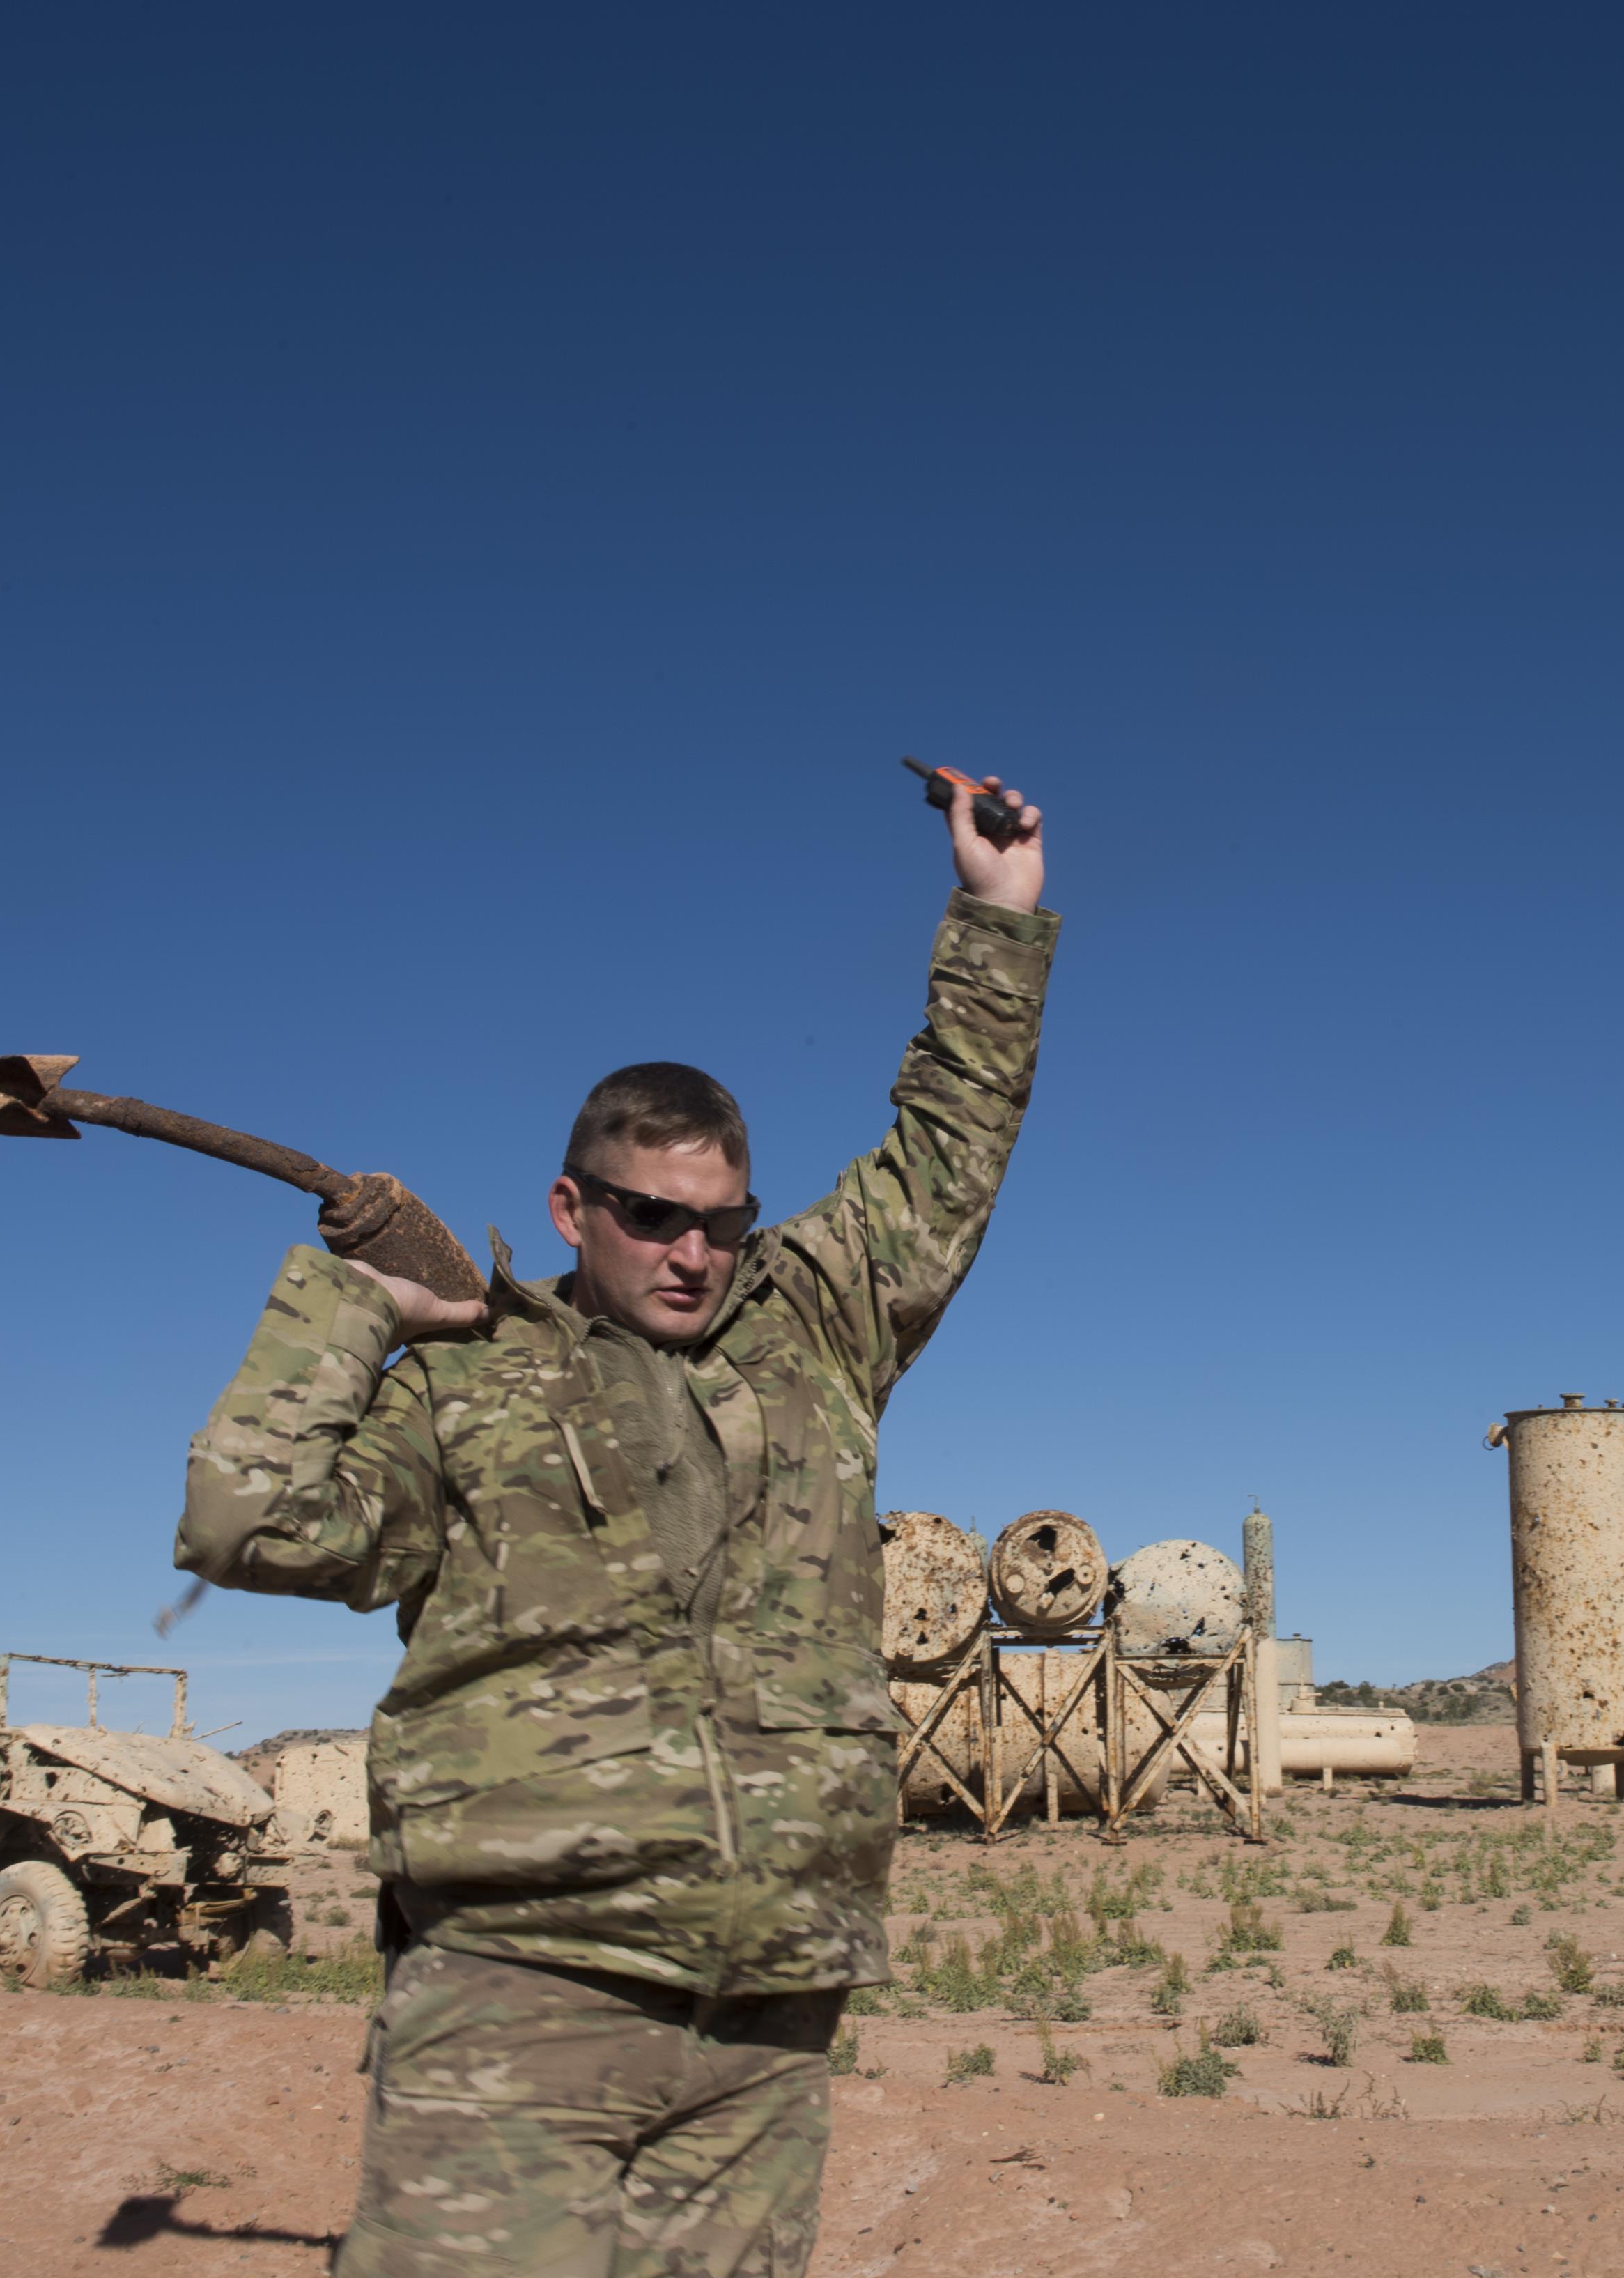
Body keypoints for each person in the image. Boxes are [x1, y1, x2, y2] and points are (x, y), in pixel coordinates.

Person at [174, 775, 1053, 2277]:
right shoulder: (473, 1376)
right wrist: (354, 1310)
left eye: (723, 1220)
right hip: (524, 1987)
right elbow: (251, 1522)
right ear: (572, 1206)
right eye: (653, 1215)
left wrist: (993, 916)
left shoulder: (819, 1325)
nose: (694, 1252)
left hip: (769, 2001)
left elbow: (947, 1143)